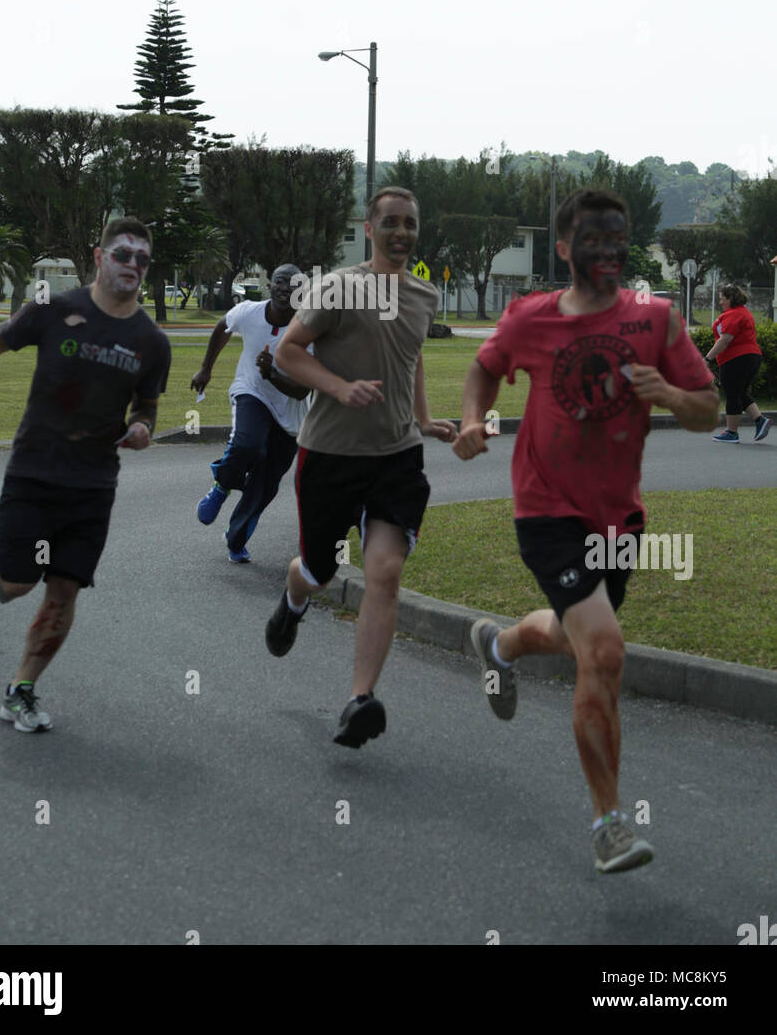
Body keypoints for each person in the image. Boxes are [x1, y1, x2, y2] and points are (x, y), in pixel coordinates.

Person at [454, 189, 718, 872]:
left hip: (618, 517)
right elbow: (483, 373)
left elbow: (709, 410)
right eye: (591, 238)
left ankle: (501, 643)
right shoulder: (529, 319)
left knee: (576, 639)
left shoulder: (657, 320)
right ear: (564, 248)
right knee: (602, 651)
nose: (606, 250)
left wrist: (670, 395)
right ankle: (610, 824)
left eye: (617, 238)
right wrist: (473, 421)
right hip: (545, 510)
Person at [0, 218, 170, 732]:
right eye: (124, 255)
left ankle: (22, 688)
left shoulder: (151, 341)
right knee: (17, 583)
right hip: (33, 473)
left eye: (142, 260)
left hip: (93, 486)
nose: (133, 267)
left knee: (65, 589)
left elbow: (147, 408)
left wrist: (142, 429)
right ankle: (12, 575)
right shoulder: (56, 310)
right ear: (100, 257)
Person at [264, 188, 457, 748]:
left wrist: (422, 418)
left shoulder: (424, 294)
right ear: (369, 229)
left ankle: (359, 699)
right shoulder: (338, 287)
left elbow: (412, 356)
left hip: (397, 457)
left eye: (410, 223)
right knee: (321, 570)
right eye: (390, 222)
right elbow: (290, 352)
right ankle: (294, 597)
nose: (401, 231)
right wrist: (340, 387)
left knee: (385, 572)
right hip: (328, 456)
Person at [192, 265, 311, 563]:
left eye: (294, 285)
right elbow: (223, 327)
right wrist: (206, 368)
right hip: (251, 391)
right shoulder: (248, 311)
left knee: (264, 487)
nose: (286, 288)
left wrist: (272, 373)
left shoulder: (309, 330)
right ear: (270, 286)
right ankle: (222, 485)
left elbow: (302, 391)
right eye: (281, 282)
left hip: (290, 414)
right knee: (247, 444)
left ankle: (236, 540)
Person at [705, 283, 770, 442]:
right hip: (749, 357)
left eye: (722, 299)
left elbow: (725, 339)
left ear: (730, 298)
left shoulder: (734, 314)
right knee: (738, 391)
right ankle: (760, 420)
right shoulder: (740, 313)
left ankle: (731, 433)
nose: (720, 302)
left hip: (737, 358)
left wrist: (707, 359)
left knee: (732, 393)